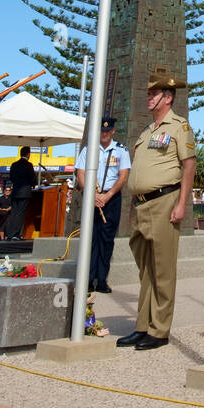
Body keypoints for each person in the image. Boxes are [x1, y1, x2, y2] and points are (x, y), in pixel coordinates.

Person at [117, 67, 196, 351]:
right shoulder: (145, 131)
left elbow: (189, 165)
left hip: (165, 202)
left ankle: (159, 329)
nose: (148, 98)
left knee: (162, 269)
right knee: (145, 270)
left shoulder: (179, 127)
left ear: (168, 97)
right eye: (148, 93)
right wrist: (131, 207)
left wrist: (181, 203)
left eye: (153, 94)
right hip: (141, 206)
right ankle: (142, 326)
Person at [75, 116, 131, 293]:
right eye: (102, 131)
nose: (104, 134)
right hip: (92, 197)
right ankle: (88, 278)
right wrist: (92, 195)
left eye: (108, 131)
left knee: (106, 241)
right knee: (90, 239)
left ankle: (101, 280)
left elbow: (123, 176)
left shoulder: (121, 151)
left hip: (111, 199)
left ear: (113, 131)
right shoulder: (89, 150)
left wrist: (108, 196)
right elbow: (81, 175)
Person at [5, 146, 37, 240]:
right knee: (20, 213)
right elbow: (32, 178)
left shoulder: (14, 164)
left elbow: (11, 177)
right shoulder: (28, 165)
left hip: (15, 191)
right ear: (28, 154)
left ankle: (9, 234)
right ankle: (15, 234)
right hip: (24, 192)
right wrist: (33, 184)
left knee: (13, 213)